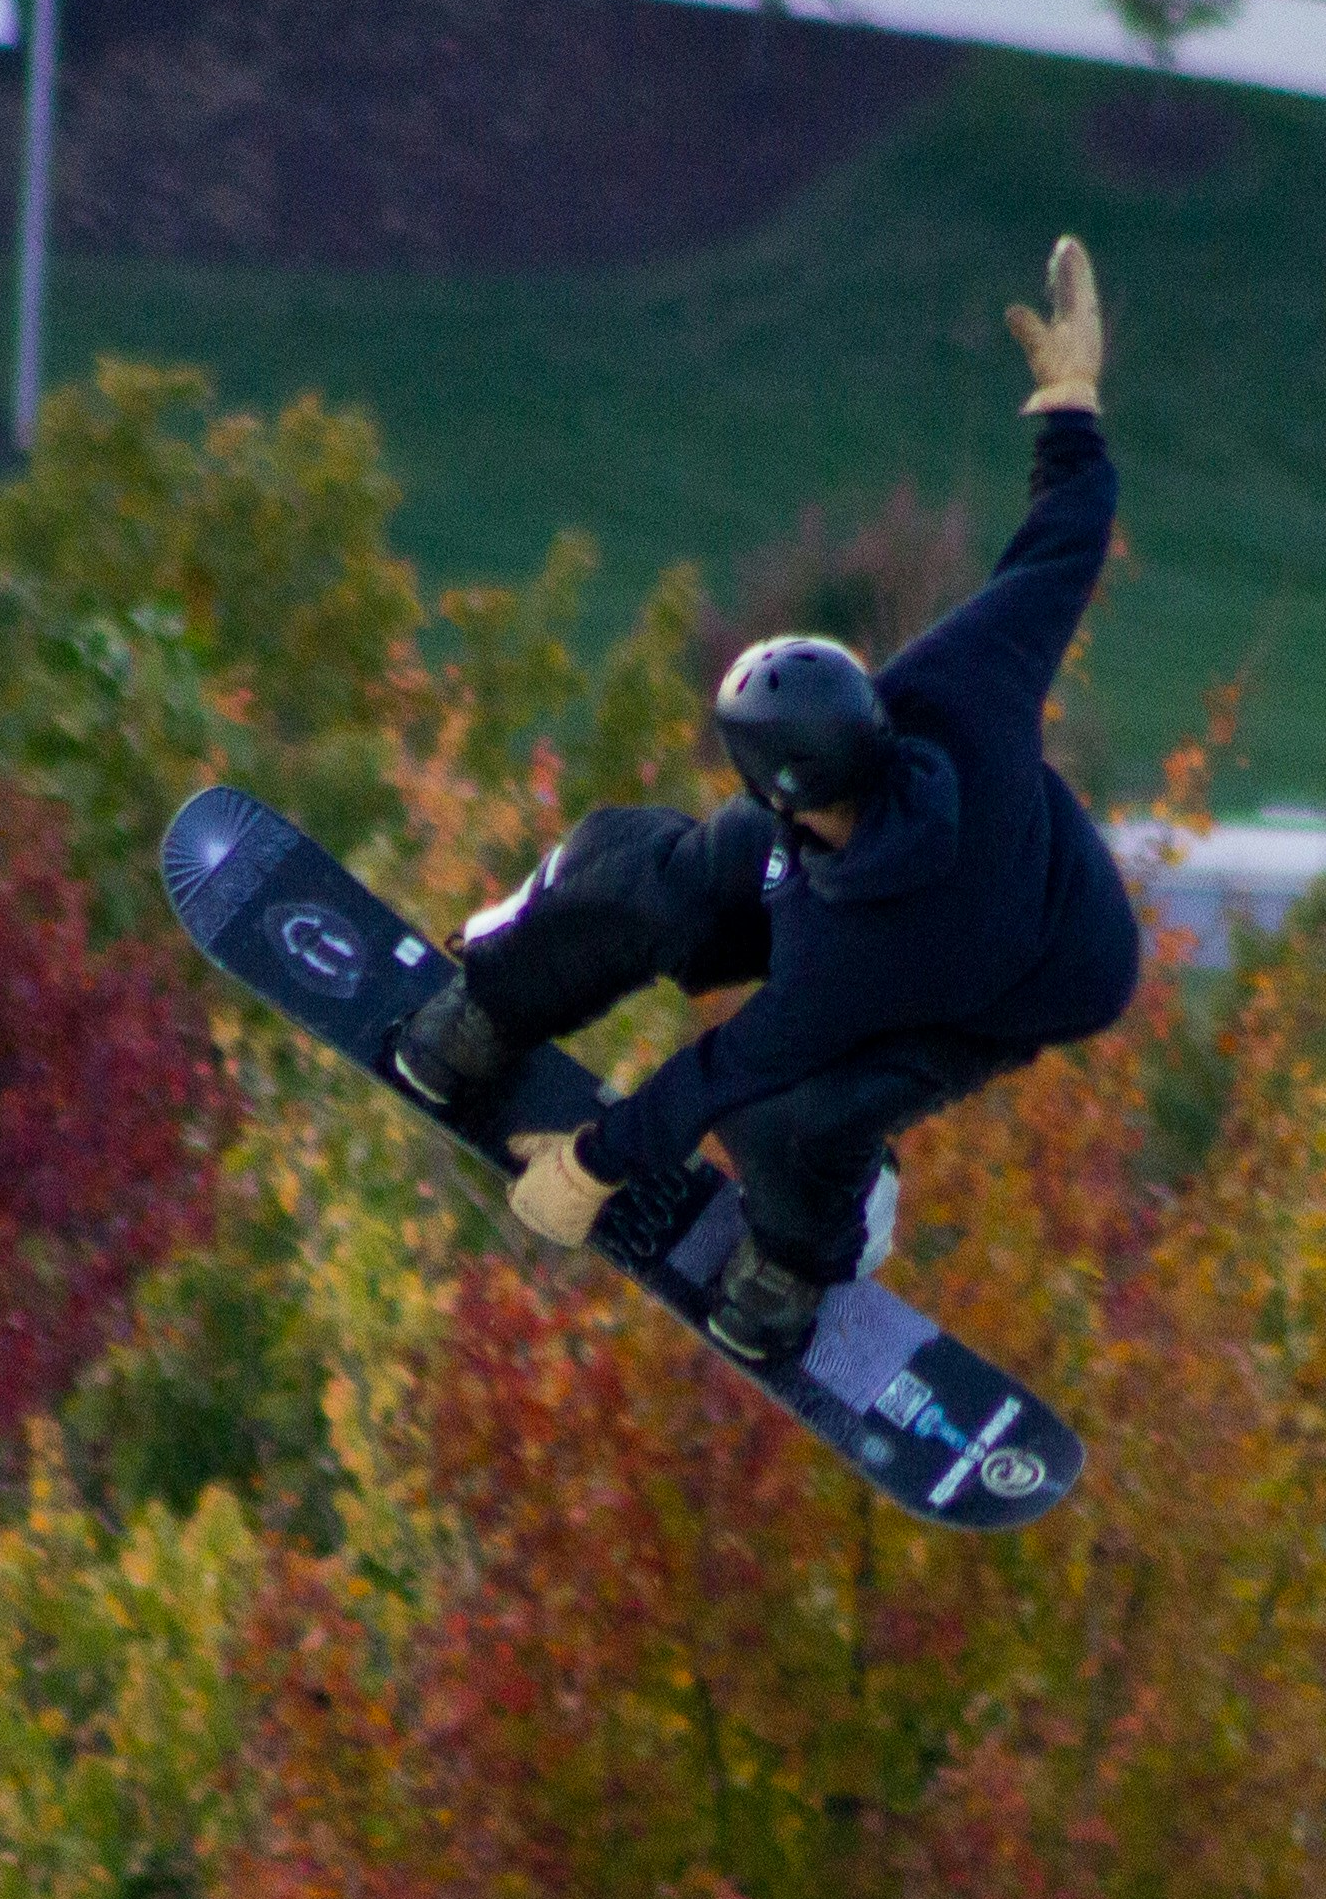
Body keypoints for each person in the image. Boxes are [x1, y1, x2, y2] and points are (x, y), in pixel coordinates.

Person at [388, 235, 1141, 1364]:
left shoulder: (855, 963)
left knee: (791, 1114)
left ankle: (799, 1256)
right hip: (910, 868)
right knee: (656, 880)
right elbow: (1060, 550)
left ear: (780, 791)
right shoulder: (950, 690)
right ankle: (496, 1002)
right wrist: (1070, 400)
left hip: (1020, 976)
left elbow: (721, 1071)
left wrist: (587, 1169)